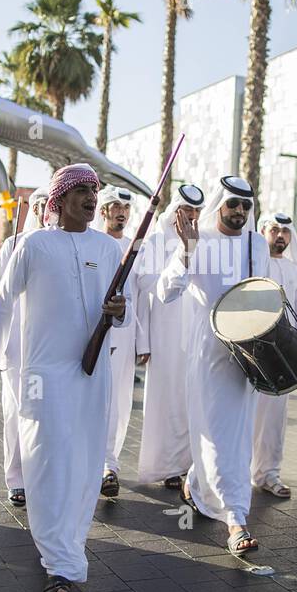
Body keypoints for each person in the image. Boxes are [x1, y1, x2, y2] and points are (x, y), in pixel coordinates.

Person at [0, 164, 126, 592]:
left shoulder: (108, 248)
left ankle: (69, 549)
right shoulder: (34, 245)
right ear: (59, 200)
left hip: (92, 375)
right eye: (81, 190)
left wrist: (118, 310)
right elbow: (0, 308)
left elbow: (124, 312)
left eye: (94, 190)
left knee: (83, 462)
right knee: (44, 463)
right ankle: (57, 563)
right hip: (42, 377)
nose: (91, 198)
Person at [158, 175, 272, 556]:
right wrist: (186, 252)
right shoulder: (198, 240)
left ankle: (228, 507)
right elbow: (166, 292)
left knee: (235, 438)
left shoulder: (258, 244)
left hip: (249, 354)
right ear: (219, 205)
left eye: (246, 205)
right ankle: (235, 520)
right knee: (213, 433)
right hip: (210, 354)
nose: (240, 211)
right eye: (233, 204)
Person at [132, 183, 205, 489]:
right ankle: (166, 467)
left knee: (193, 400)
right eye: (186, 209)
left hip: (196, 334)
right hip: (163, 333)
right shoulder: (156, 242)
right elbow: (146, 292)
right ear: (175, 210)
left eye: (196, 211)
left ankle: (191, 466)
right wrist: (143, 341)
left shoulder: (205, 242)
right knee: (167, 401)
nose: (191, 215)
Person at [0, 189, 51, 507]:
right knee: (15, 414)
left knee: (47, 415)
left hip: (51, 349)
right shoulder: (13, 245)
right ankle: (17, 480)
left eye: (46, 204)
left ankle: (42, 477)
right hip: (16, 349)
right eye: (36, 206)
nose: (42, 210)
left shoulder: (59, 245)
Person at [251, 212, 297, 499]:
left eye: (286, 230)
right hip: (252, 351)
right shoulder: (253, 264)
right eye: (275, 230)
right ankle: (238, 471)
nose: (281, 236)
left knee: (275, 417)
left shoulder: (295, 271)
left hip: (282, 354)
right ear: (262, 231)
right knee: (246, 415)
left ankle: (268, 473)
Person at [97, 185, 136, 498]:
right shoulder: (92, 244)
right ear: (103, 211)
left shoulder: (138, 249)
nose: (121, 213)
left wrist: (144, 343)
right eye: (115, 208)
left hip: (124, 337)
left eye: (125, 209)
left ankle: (109, 465)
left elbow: (145, 299)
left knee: (118, 402)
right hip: (90, 334)